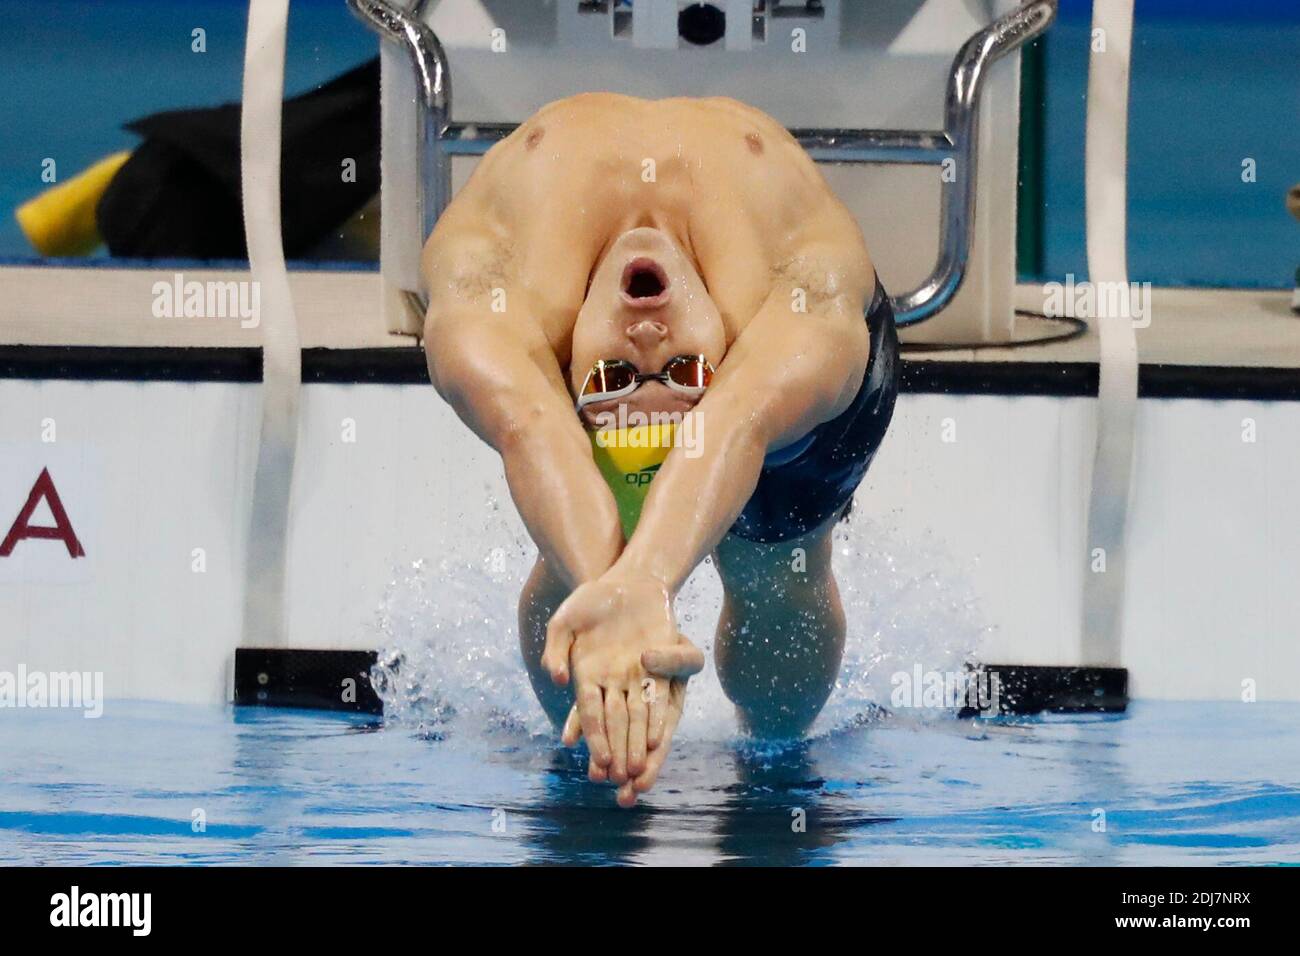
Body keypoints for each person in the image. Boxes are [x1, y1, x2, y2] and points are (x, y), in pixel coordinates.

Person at [422, 93, 898, 807]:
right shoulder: (503, 315)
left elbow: (739, 420)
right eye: (672, 371)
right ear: (562, 376)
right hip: (739, 394)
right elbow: (533, 423)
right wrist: (616, 596)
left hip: (784, 404)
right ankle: (599, 752)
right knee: (587, 571)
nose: (648, 340)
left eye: (673, 376)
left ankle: (773, 767)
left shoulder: (799, 303)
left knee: (775, 569)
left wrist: (643, 582)